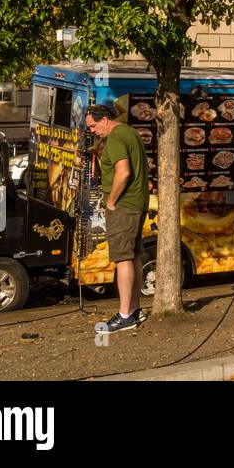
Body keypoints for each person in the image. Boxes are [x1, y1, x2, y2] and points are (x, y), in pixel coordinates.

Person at [85, 104, 149, 334]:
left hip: (123, 206)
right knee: (134, 256)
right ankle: (134, 309)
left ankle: (124, 315)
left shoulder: (114, 139)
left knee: (122, 258)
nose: (92, 131)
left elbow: (124, 171)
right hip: (138, 202)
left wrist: (110, 201)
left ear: (104, 120)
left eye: (93, 126)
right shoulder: (130, 132)